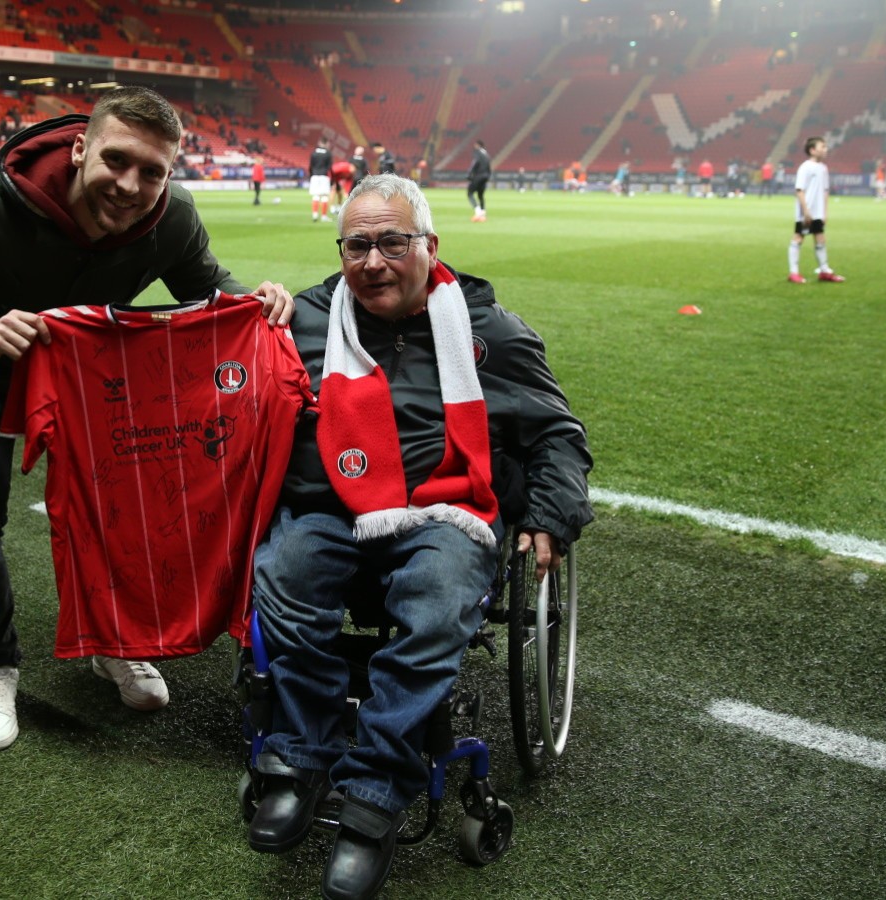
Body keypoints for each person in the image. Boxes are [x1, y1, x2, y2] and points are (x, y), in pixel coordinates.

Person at [0, 86, 293, 753]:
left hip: (94, 378)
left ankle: (116, 644)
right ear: (80, 148)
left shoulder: (173, 218)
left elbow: (210, 292)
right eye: (116, 160)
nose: (131, 185)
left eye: (153, 171)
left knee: (120, 515)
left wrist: (257, 300)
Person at [243, 174, 593, 900]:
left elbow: (557, 434)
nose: (373, 261)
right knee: (286, 573)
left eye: (392, 243)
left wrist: (552, 514)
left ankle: (374, 795)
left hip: (447, 512)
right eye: (357, 245)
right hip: (329, 506)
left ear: (430, 246)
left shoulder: (491, 331)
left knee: (437, 600)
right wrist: (255, 311)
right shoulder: (305, 320)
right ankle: (301, 757)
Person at [788, 136, 844, 284]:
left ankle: (824, 271)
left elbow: (825, 191)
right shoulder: (805, 167)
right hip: (806, 210)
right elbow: (799, 190)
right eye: (822, 147)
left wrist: (824, 212)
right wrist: (805, 211)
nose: (826, 149)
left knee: (820, 237)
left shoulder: (823, 168)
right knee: (798, 237)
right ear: (812, 150)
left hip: (818, 211)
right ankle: (793, 273)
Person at [308, 136, 332, 222]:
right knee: (324, 196)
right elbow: (329, 167)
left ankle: (314, 215)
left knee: (315, 196)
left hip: (314, 176)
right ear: (326, 143)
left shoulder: (314, 152)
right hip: (324, 176)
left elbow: (311, 165)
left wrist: (311, 175)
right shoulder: (328, 153)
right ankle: (324, 216)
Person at [466, 139, 490, 222]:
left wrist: (469, 173)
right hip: (485, 176)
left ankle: (478, 211)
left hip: (478, 176)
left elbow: (475, 162)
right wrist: (488, 176)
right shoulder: (486, 154)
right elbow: (488, 167)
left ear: (478, 145)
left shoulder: (478, 153)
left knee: (470, 193)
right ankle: (483, 212)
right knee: (480, 195)